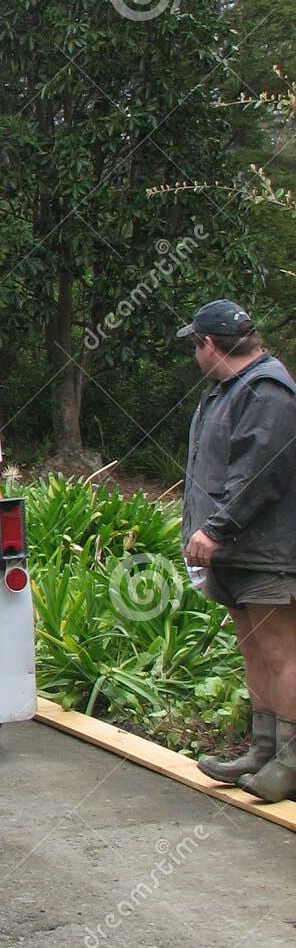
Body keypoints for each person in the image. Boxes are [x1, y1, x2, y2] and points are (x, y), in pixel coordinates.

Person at [177, 300, 296, 802]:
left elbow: (259, 474)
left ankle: (290, 762)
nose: (195, 354)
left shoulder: (268, 392)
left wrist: (217, 529)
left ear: (210, 345)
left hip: (266, 549)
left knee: (279, 651)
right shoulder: (227, 389)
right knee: (252, 646)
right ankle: (264, 750)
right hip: (233, 551)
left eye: (194, 345)